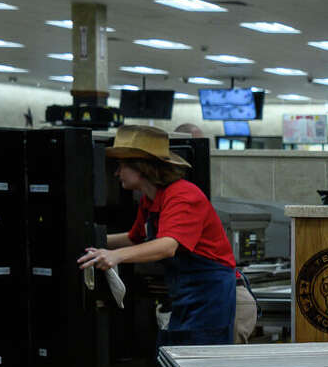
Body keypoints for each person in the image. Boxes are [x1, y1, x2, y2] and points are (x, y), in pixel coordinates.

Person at [76, 126, 237, 345]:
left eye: (121, 166)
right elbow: (135, 237)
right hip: (184, 293)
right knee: (175, 357)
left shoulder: (183, 195)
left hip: (209, 295)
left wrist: (116, 256)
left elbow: (167, 246)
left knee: (199, 364)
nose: (116, 173)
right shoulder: (150, 199)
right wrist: (87, 239)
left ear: (141, 168)